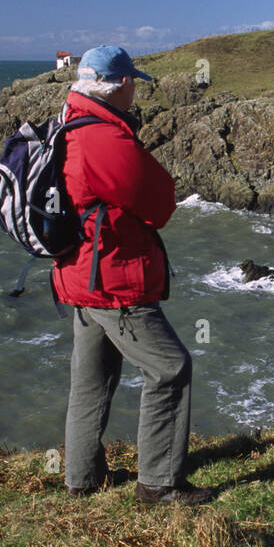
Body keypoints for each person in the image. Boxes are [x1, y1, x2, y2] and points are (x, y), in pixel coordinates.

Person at [52, 45, 212, 505]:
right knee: (170, 367)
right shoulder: (103, 138)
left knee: (91, 379)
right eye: (133, 82)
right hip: (113, 279)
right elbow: (161, 203)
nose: (136, 89)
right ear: (121, 84)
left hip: (80, 274)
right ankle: (158, 485)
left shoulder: (70, 121)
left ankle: (83, 478)